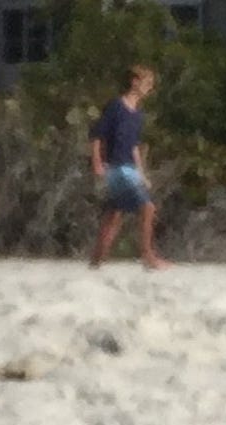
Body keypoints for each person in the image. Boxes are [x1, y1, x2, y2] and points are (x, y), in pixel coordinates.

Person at [89, 66, 166, 272]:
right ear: (134, 82)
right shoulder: (116, 107)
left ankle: (96, 262)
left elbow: (134, 146)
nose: (149, 88)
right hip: (117, 168)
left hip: (130, 168)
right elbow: (98, 135)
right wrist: (96, 162)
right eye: (147, 83)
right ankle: (148, 256)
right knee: (147, 208)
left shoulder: (138, 114)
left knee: (114, 216)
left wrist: (141, 173)